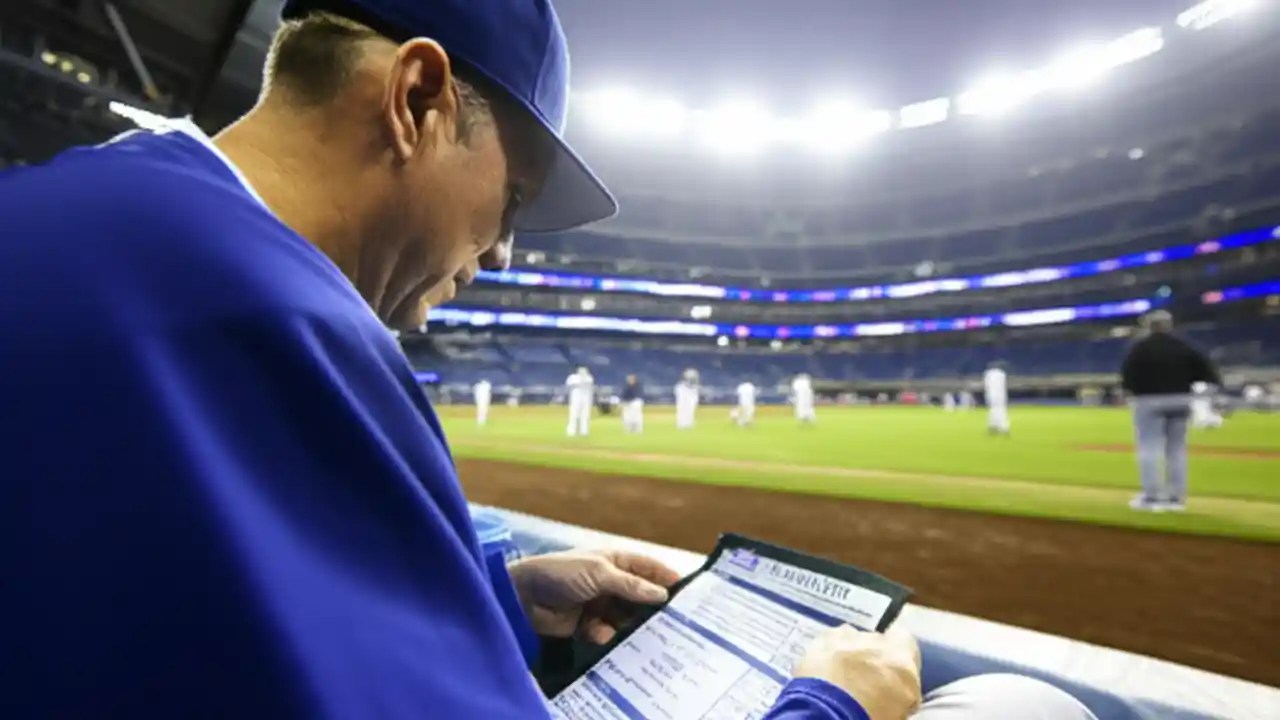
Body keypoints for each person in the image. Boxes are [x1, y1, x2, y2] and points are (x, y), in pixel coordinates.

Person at [0, 0, 1102, 717]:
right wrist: (826, 706)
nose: (502, 250)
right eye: (512, 199)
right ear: (418, 99)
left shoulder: (83, 207)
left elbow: (202, 606)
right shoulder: (275, 313)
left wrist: (482, 585)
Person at [1121, 311, 1221, 512]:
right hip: (1180, 400)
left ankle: (1151, 497)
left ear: (1149, 326)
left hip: (1148, 401)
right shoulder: (1184, 346)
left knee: (1148, 448)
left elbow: (1127, 378)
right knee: (1176, 450)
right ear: (1169, 325)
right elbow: (1210, 375)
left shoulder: (1139, 347)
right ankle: (1176, 499)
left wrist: (1135, 392)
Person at [983, 362, 1010, 436]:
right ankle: (1003, 428)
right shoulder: (1002, 374)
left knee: (993, 410)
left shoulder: (988, 374)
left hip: (991, 395)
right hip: (1000, 395)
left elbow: (987, 386)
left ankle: (993, 426)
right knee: (1000, 410)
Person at [566, 366, 595, 437]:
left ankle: (584, 431)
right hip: (576, 397)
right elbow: (569, 385)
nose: (583, 373)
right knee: (574, 414)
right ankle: (571, 431)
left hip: (586, 398)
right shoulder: (573, 377)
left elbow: (590, 385)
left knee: (585, 415)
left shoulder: (589, 377)